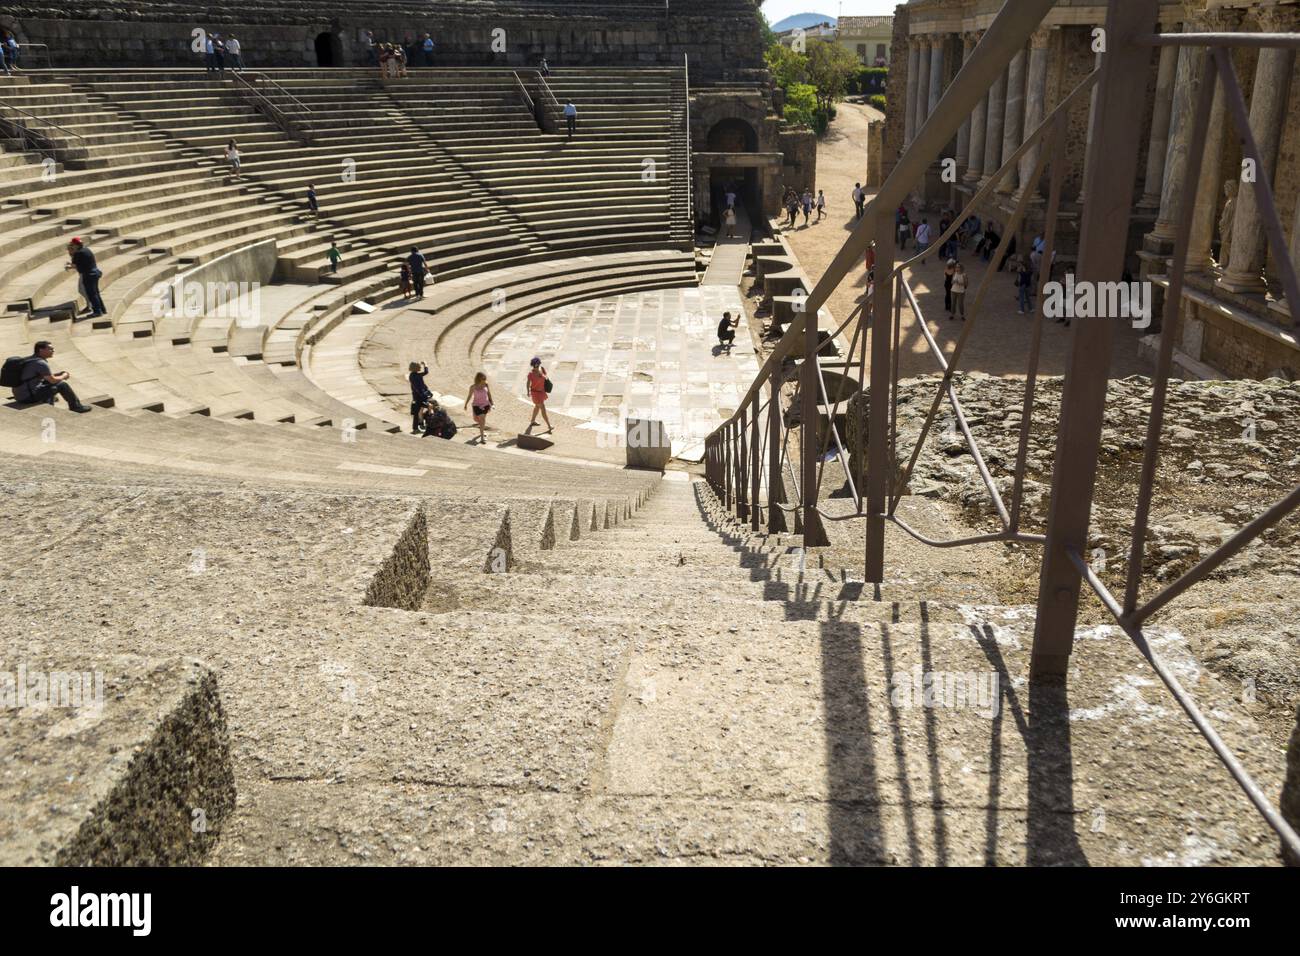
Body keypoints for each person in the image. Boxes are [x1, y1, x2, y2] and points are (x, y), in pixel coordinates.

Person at [10, 341, 92, 412]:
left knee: (49, 383)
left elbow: (41, 377)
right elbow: (52, 380)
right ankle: (76, 407)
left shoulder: (29, 359)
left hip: (19, 395)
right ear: (41, 350)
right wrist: (64, 375)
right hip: (28, 397)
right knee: (62, 385)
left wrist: (57, 374)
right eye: (50, 349)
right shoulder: (41, 363)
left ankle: (48, 401)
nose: (53, 351)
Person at [64, 238, 105, 318]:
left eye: (72, 245)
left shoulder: (78, 253)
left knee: (92, 294)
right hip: (95, 273)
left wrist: (68, 266)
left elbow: (75, 265)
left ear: (76, 245)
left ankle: (97, 312)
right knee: (96, 293)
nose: (72, 246)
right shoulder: (86, 250)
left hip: (88, 275)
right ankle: (102, 309)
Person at [464, 372, 493, 444]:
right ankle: (482, 432)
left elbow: (489, 394)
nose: (485, 380)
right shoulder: (473, 387)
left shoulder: (486, 385)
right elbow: (469, 396)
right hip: (476, 405)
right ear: (479, 378)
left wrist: (492, 403)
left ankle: (482, 437)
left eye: (485, 378)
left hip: (486, 405)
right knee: (478, 420)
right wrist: (466, 404)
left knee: (482, 420)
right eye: (483, 378)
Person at [526, 357, 552, 433]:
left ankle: (532, 421)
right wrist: (528, 391)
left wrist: (542, 376)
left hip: (541, 392)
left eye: (537, 365)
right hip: (535, 393)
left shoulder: (542, 369)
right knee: (543, 409)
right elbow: (528, 383)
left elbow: (546, 377)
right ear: (533, 365)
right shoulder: (531, 374)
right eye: (534, 366)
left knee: (537, 407)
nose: (536, 367)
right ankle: (549, 425)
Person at [409, 361, 433, 433]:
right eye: (419, 366)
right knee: (427, 409)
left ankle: (420, 426)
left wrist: (425, 364)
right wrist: (425, 395)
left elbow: (426, 372)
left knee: (421, 410)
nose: (420, 367)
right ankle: (418, 427)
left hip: (420, 396)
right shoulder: (414, 376)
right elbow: (418, 389)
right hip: (419, 397)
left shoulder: (414, 375)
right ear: (416, 368)